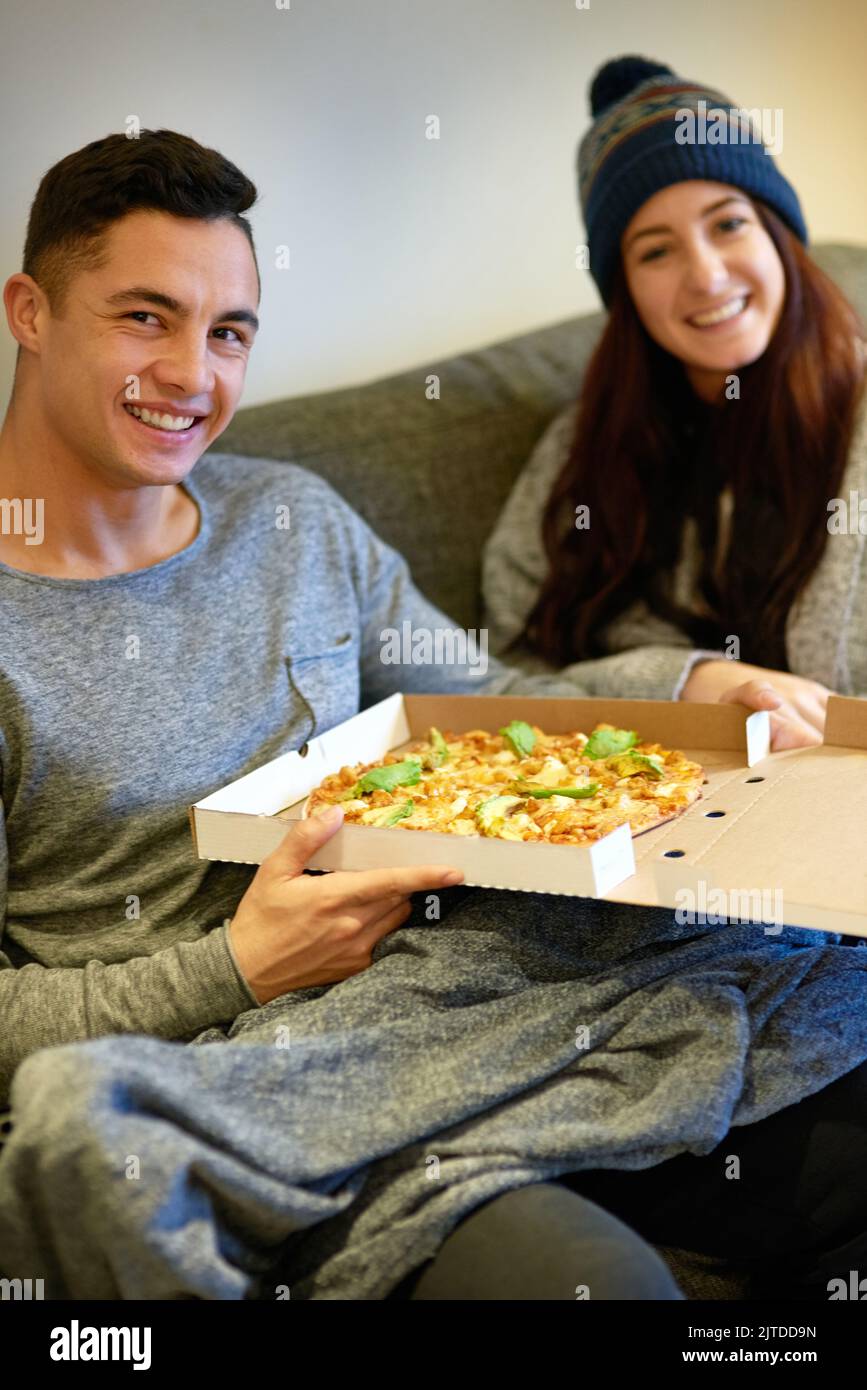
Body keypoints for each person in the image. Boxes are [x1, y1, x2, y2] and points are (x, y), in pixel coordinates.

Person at [0, 127, 682, 1299]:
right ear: (30, 311)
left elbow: (488, 705)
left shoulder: (294, 518)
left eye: (229, 332)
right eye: (144, 317)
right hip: (203, 1091)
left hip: (421, 1004)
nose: (191, 376)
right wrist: (238, 968)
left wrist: (684, 685)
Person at [483, 56, 867, 754]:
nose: (705, 275)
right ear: (622, 287)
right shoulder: (581, 451)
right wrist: (691, 680)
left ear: (778, 236)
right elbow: (507, 670)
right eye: (655, 251)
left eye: (727, 224)